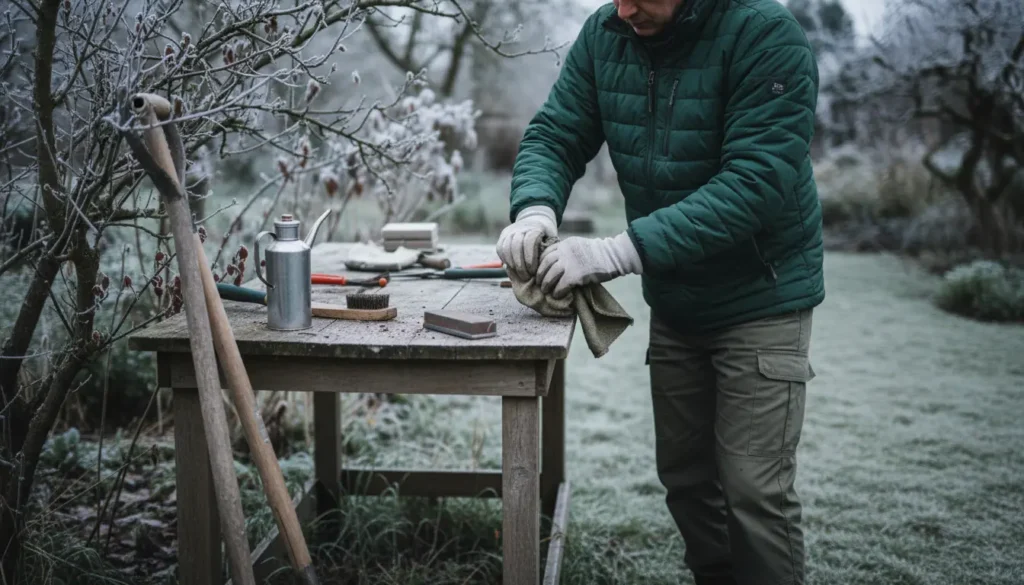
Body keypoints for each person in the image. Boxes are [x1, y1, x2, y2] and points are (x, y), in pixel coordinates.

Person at [495, 0, 824, 584]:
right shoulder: (606, 33)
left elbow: (755, 184)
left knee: (754, 493)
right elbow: (557, 133)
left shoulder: (767, 36)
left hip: (760, 298)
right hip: (677, 301)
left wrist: (611, 253)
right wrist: (535, 209)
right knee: (688, 481)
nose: (624, 9)